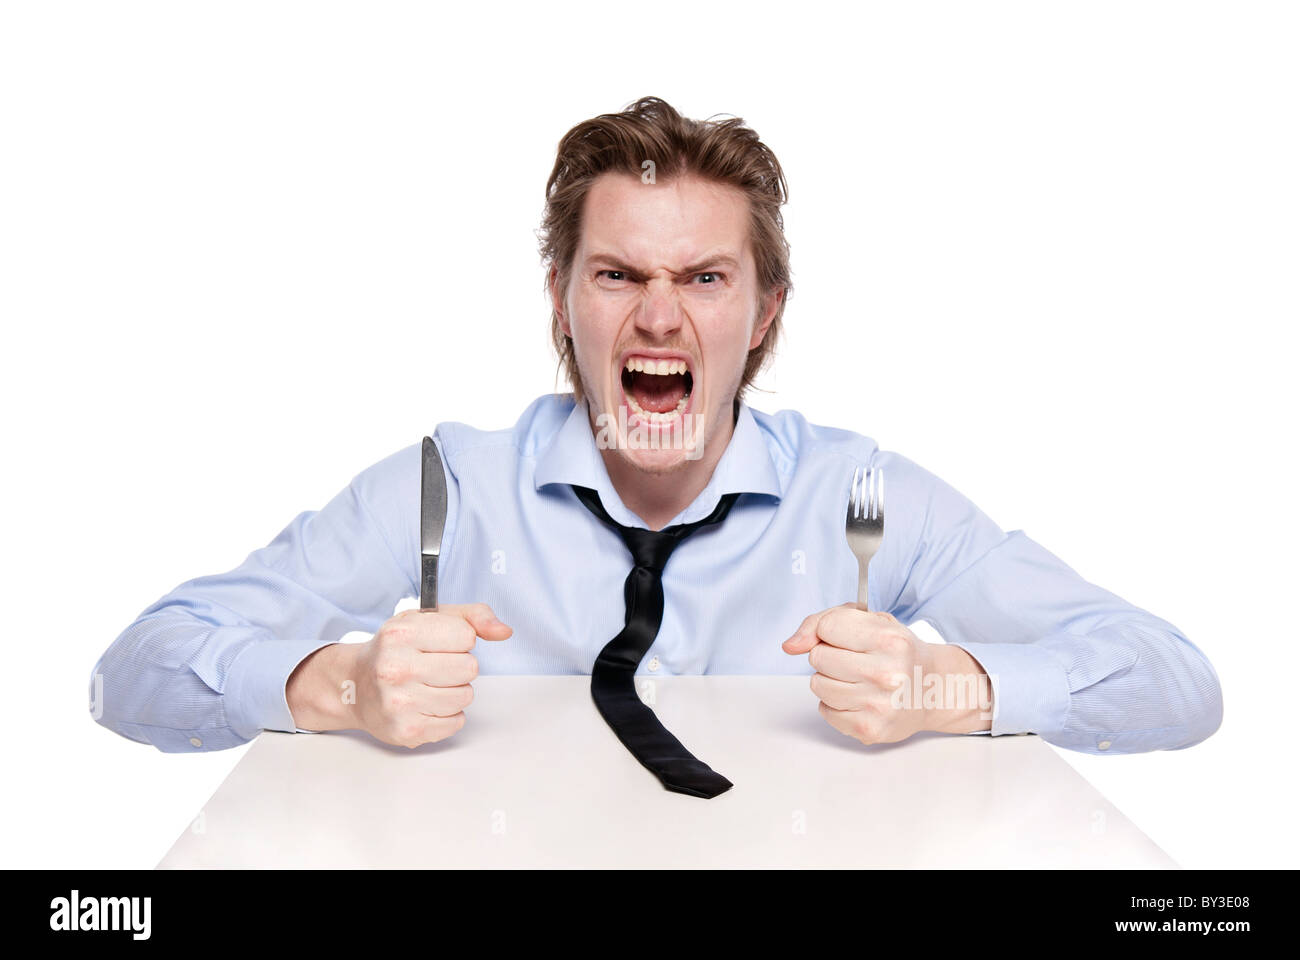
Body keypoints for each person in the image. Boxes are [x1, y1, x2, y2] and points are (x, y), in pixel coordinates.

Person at [90, 96, 1222, 764]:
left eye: (706, 278)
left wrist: (949, 689)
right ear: (560, 300)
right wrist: (332, 687)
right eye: (618, 273)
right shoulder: (449, 492)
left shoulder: (866, 499)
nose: (660, 315)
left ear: (765, 311)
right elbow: (130, 672)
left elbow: (1176, 684)